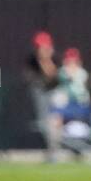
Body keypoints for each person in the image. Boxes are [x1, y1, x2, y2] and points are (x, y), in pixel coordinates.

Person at [25, 31, 61, 160]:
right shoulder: (32, 60)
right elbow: (29, 78)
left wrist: (45, 60)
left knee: (54, 121)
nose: (41, 50)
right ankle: (51, 151)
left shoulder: (55, 58)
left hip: (56, 93)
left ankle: (55, 150)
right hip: (41, 94)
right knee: (43, 123)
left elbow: (53, 77)